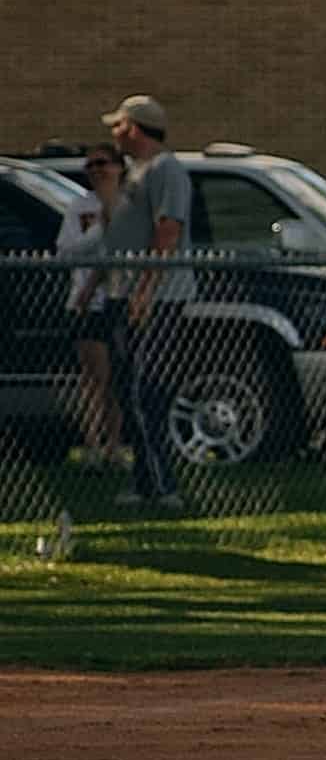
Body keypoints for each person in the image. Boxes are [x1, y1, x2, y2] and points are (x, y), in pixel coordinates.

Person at [97, 95, 196, 509]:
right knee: (127, 388)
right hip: (123, 293)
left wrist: (145, 291)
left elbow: (167, 231)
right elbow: (117, 233)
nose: (113, 134)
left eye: (118, 126)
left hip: (158, 297)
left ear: (134, 128)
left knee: (147, 389)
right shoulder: (131, 173)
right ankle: (142, 482)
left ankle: (164, 485)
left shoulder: (166, 170)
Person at [57, 144, 129, 469]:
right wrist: (102, 229)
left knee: (117, 377)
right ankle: (92, 446)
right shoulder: (79, 206)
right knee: (94, 377)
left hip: (121, 298)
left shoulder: (129, 204)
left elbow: (126, 247)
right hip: (86, 303)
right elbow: (67, 250)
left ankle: (115, 447)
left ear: (119, 167)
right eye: (90, 165)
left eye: (103, 163)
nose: (97, 170)